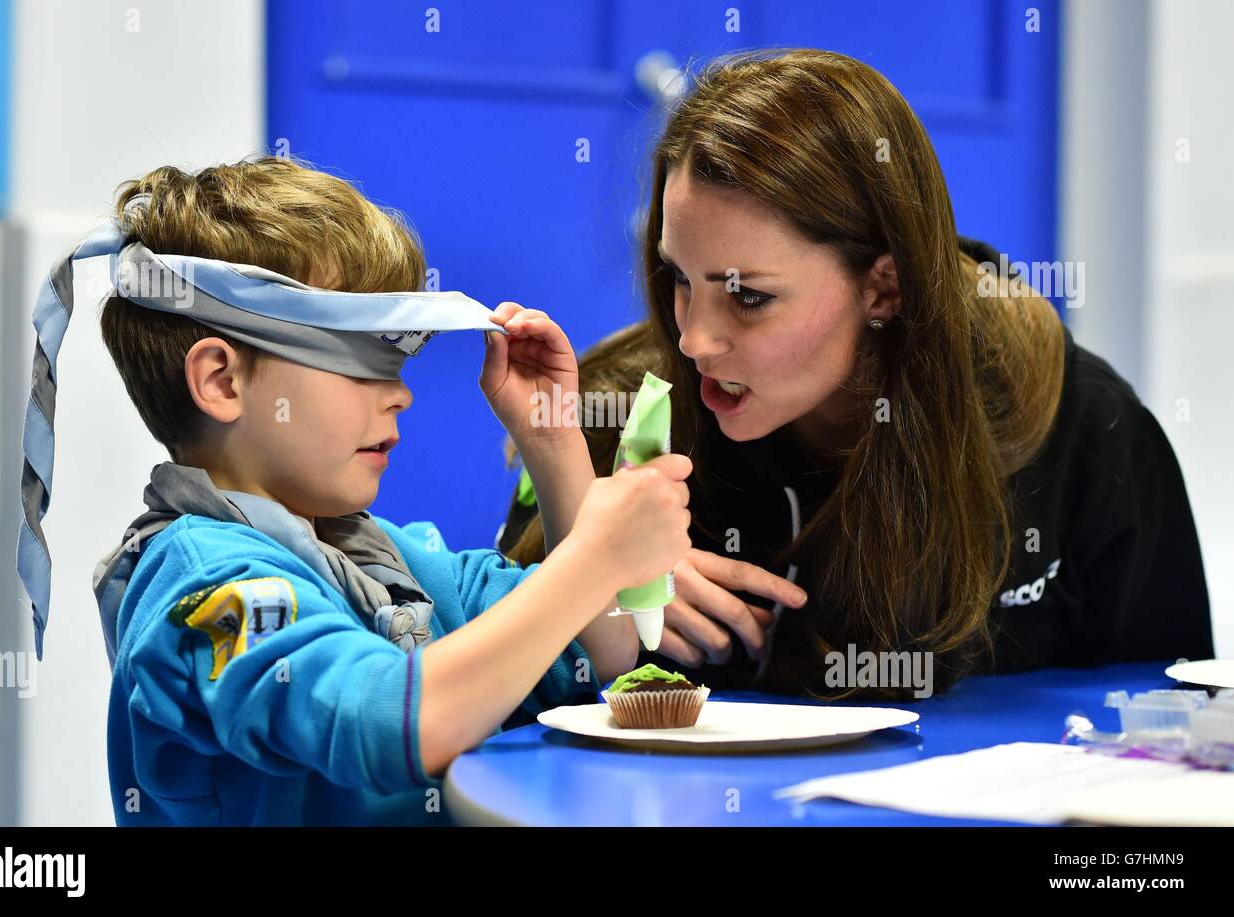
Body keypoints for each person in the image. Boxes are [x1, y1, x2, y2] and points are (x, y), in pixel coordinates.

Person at [498, 49, 1214, 701]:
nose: (693, 339)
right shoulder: (615, 414)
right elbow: (490, 683)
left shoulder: (1085, 428)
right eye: (678, 278)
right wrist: (589, 579)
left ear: (884, 289)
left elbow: (1175, 725)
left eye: (748, 296)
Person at [15, 157, 691, 825]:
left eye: (397, 362)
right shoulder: (208, 592)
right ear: (222, 381)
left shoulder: (384, 555)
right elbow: (391, 724)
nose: (399, 394)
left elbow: (600, 645)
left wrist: (553, 444)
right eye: (360, 361)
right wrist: (599, 554)